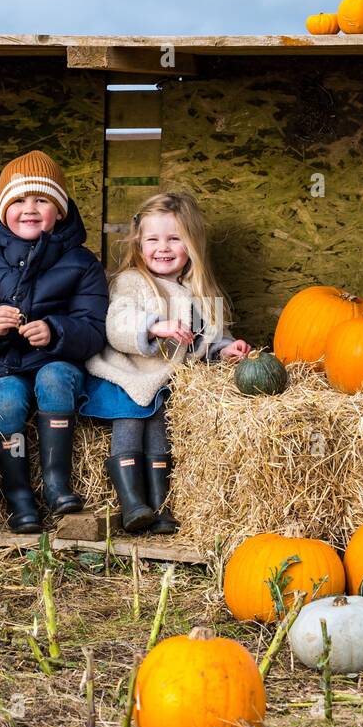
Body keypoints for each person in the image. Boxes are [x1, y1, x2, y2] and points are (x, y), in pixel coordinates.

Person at [0, 151, 108, 533]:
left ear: (61, 211)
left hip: (56, 360)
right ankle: (19, 495)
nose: (30, 209)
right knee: (6, 401)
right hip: (4, 364)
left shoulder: (83, 264)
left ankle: (57, 485)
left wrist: (55, 331)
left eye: (42, 200)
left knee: (55, 379)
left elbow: (93, 326)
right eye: (19, 201)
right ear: (3, 211)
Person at [82, 191, 249, 534]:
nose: (163, 248)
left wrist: (226, 349)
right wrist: (154, 327)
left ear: (192, 245)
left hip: (162, 382)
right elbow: (117, 323)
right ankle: (132, 504)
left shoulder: (202, 292)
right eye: (153, 239)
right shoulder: (131, 282)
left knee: (159, 429)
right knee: (130, 422)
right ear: (139, 244)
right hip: (127, 374)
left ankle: (160, 506)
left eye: (174, 239)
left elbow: (211, 336)